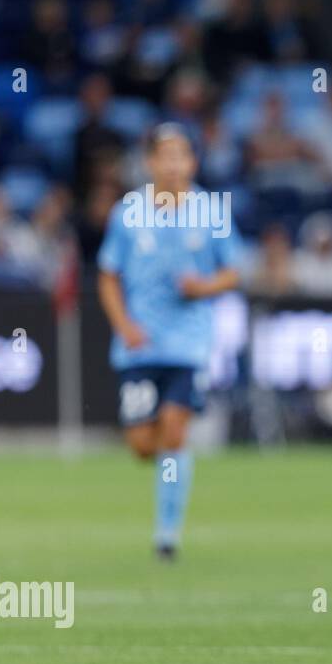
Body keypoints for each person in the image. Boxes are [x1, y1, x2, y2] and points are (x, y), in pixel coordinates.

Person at [96, 125, 241, 560]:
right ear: (151, 163)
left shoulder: (211, 211)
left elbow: (233, 271)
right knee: (143, 445)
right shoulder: (126, 213)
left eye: (182, 155)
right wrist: (124, 325)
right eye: (166, 156)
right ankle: (167, 468)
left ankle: (167, 535)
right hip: (140, 345)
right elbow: (108, 275)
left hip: (189, 343)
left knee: (175, 432)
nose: (174, 164)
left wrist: (204, 288)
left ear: (193, 163)